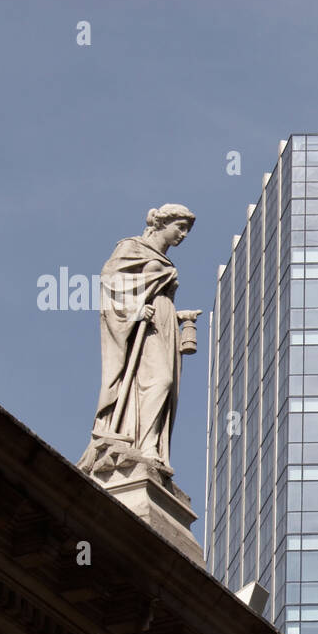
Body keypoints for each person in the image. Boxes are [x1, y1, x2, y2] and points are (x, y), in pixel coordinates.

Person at [79, 204, 201, 476]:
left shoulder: (165, 259)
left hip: (163, 324)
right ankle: (144, 446)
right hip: (142, 324)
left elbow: (160, 298)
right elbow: (110, 283)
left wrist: (177, 316)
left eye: (187, 230)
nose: (183, 234)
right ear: (162, 223)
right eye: (179, 227)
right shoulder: (131, 247)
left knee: (165, 386)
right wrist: (134, 308)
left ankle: (151, 445)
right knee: (159, 381)